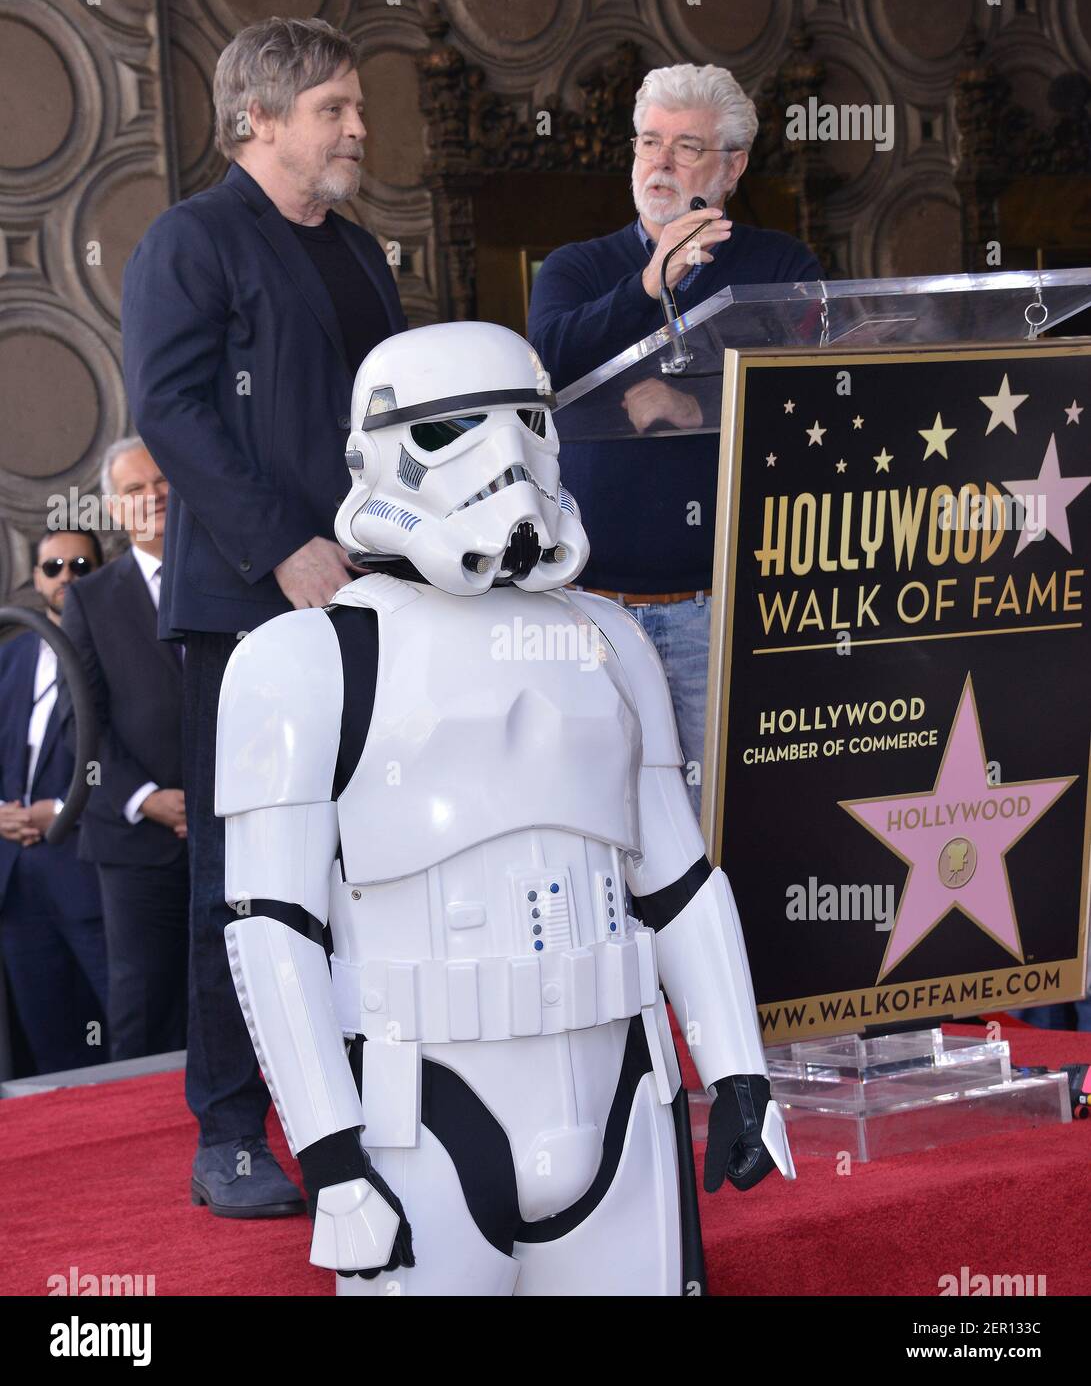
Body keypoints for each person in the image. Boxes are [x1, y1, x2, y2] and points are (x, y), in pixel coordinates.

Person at [217, 321, 794, 1296]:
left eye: (529, 422)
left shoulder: (612, 639)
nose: (508, 458)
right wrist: (326, 1151)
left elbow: (679, 880)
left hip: (621, 1089)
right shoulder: (302, 660)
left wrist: (739, 1066)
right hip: (421, 1103)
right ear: (377, 451)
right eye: (455, 431)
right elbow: (272, 926)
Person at [121, 16, 406, 1218]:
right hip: (246, 611)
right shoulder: (188, 240)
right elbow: (170, 409)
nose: (356, 126)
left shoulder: (358, 252)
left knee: (367, 869)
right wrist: (279, 547)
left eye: (353, 106)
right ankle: (232, 1131)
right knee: (242, 880)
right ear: (260, 120)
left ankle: (366, 1106)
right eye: (334, 109)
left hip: (379, 607)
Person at [528, 63, 824, 814]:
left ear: (732, 166)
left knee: (720, 827)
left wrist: (694, 408)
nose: (658, 163)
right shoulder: (577, 267)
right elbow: (548, 366)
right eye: (648, 142)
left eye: (686, 147)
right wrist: (648, 284)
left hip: (720, 608)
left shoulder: (780, 267)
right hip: (590, 610)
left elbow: (815, 404)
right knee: (597, 824)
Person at [61, 438, 189, 1061]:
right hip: (136, 842)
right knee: (144, 1005)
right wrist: (147, 798)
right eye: (136, 490)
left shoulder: (232, 575)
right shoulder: (88, 598)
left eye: (162, 481)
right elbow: (84, 720)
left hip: (237, 828)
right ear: (117, 511)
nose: (153, 497)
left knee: (235, 994)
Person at [0, 529, 108, 1073]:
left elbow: (131, 746)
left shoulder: (117, 644)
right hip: (17, 882)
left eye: (81, 565)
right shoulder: (15, 655)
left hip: (88, 871)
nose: (67, 574)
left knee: (117, 1027)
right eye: (54, 566)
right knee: (45, 1037)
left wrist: (68, 809)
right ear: (37, 578)